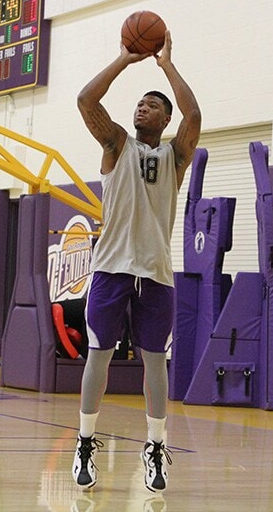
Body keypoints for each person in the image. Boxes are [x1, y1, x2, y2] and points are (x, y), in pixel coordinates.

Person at [72, 29, 201, 493]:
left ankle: (155, 448)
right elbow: (87, 99)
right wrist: (125, 59)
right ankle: (85, 441)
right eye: (140, 103)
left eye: (153, 104)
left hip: (156, 273)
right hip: (110, 268)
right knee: (99, 356)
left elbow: (195, 114)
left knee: (154, 363)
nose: (142, 107)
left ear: (165, 118)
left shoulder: (175, 156)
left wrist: (164, 63)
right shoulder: (116, 144)